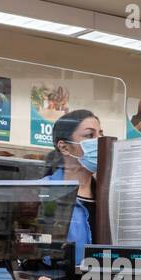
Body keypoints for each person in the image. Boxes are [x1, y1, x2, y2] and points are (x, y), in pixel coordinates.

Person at [46, 109, 101, 265]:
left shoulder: (109, 197)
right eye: (90, 135)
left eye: (100, 134)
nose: (100, 141)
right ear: (64, 147)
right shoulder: (42, 192)